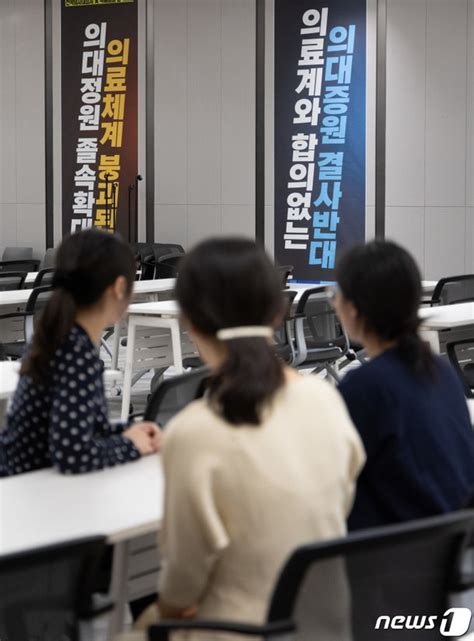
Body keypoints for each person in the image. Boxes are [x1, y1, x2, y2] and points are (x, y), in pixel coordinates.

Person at [132, 237, 365, 641]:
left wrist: (166, 610)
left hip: (234, 628)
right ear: (278, 312)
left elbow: (183, 577)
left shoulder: (195, 430)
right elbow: (341, 501)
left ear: (189, 321)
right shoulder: (326, 398)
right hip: (327, 623)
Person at [334, 240, 474, 531]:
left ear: (354, 309)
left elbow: (331, 481)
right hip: (451, 542)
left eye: (336, 295)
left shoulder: (364, 386)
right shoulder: (441, 371)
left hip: (395, 549)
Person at [0, 229, 161, 477]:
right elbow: (74, 455)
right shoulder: (75, 352)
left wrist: (129, 431)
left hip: (26, 480)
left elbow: (81, 430)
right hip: (25, 488)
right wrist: (131, 445)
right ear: (119, 287)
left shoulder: (61, 336)